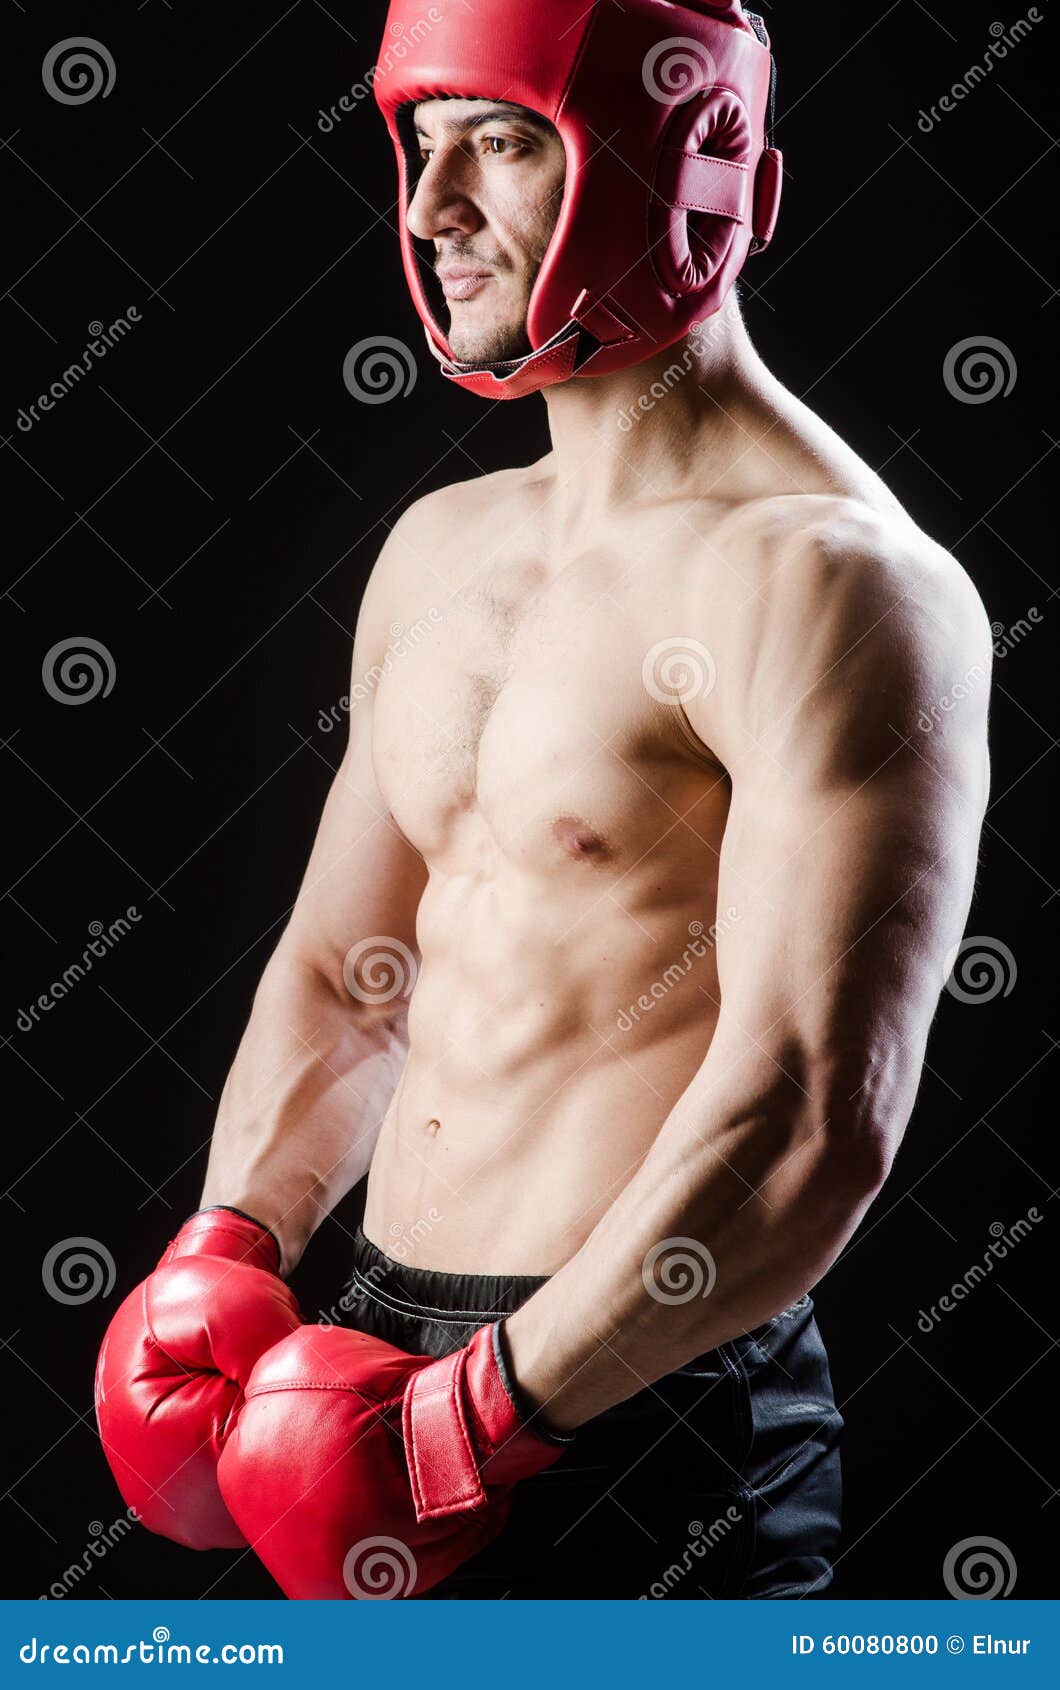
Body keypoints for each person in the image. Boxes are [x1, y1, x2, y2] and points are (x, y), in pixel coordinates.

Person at [96, 0, 991, 1600]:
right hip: (357, 1370)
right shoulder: (443, 550)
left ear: (691, 167)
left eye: (502, 144)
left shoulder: (833, 585)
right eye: (420, 148)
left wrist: (478, 1421)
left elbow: (806, 1115)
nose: (434, 213)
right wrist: (225, 1246)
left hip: (640, 1410)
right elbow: (343, 975)